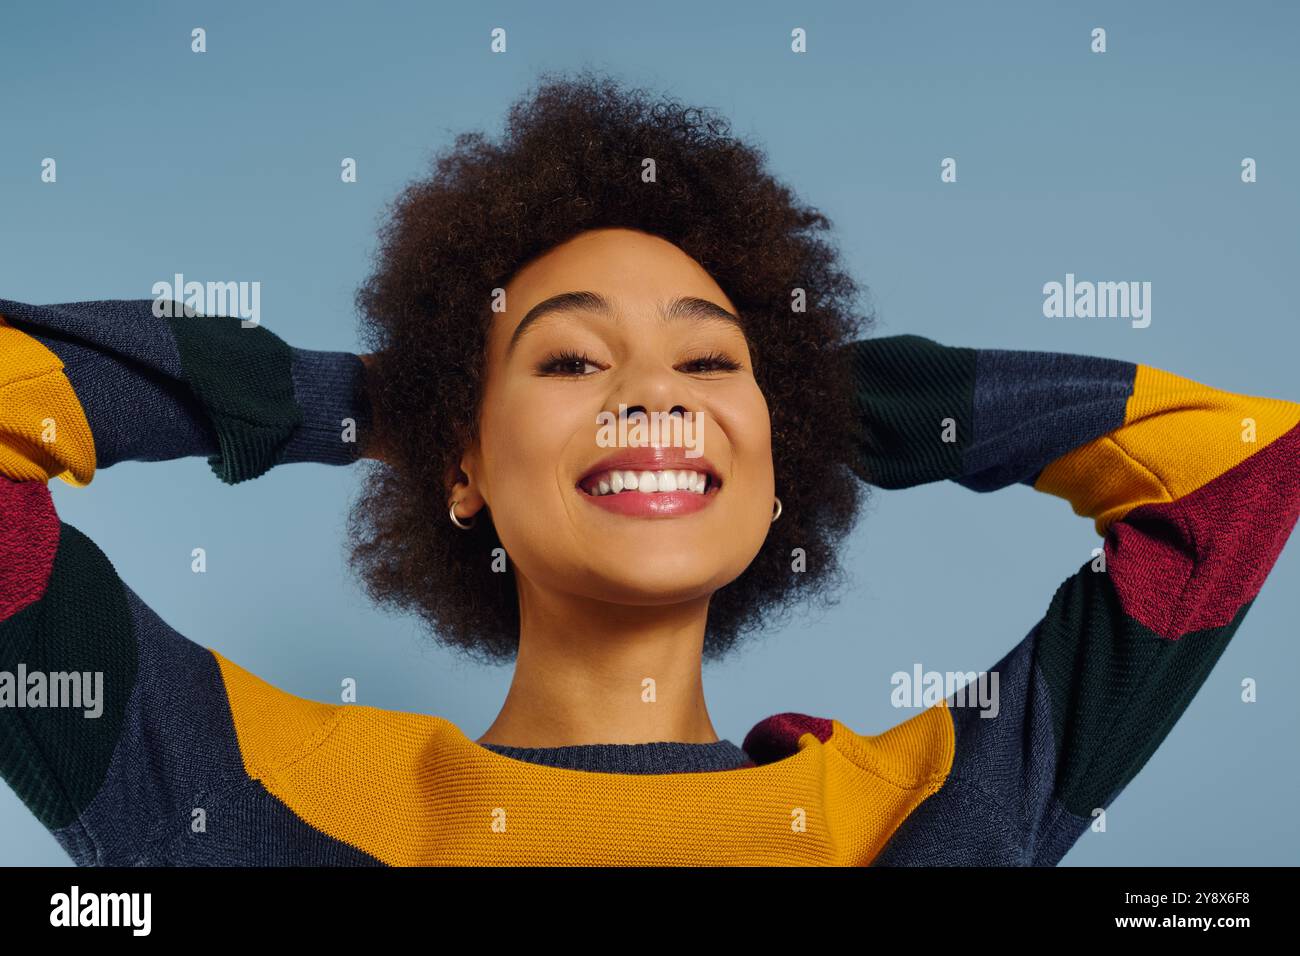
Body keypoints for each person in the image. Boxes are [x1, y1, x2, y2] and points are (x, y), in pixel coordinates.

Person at [1, 71, 1297, 866]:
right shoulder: (248, 791)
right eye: (569, 364)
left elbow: (1238, 465)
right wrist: (390, 404)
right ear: (462, 469)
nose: (653, 399)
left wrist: (797, 411)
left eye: (708, 364)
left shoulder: (924, 814)